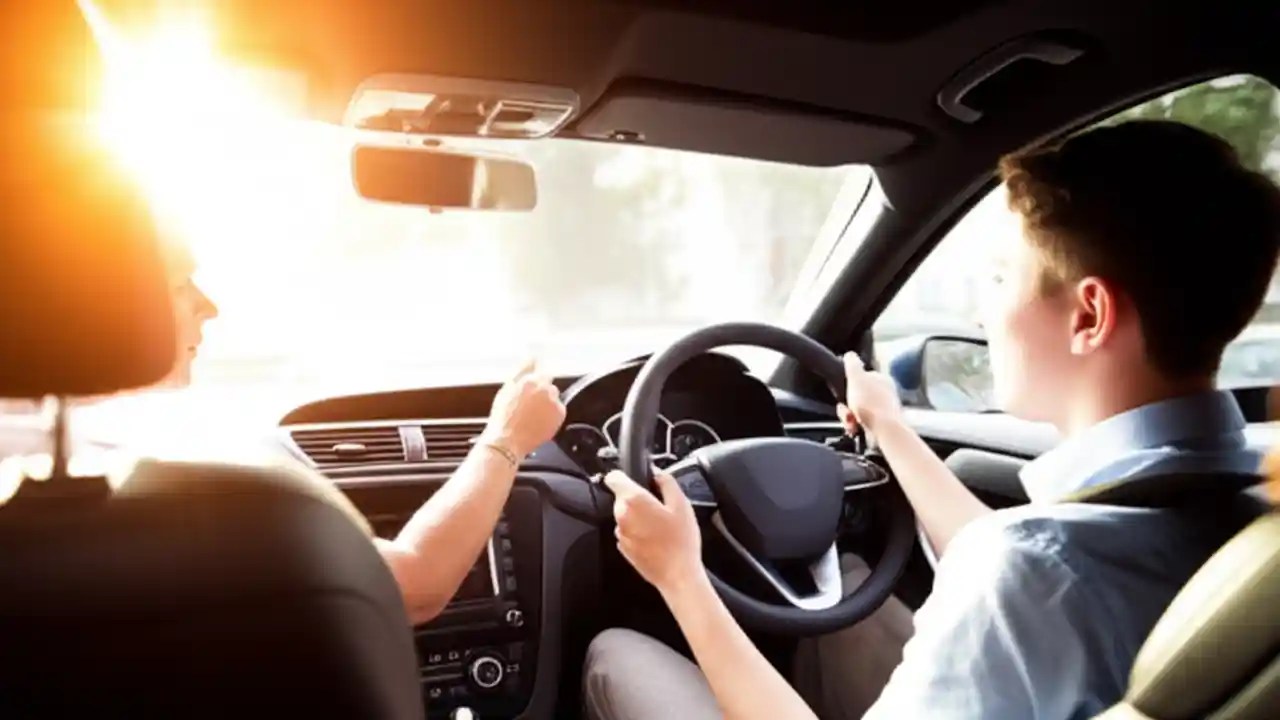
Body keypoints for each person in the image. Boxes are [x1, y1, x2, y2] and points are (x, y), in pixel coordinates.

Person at [584, 120, 1280, 719]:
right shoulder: (1245, 513)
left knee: (615, 657)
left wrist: (678, 573)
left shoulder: (1026, 573)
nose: (984, 312)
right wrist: (889, 427)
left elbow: (1023, 567)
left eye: (1003, 276)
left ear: (1089, 315)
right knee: (854, 580)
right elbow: (1033, 558)